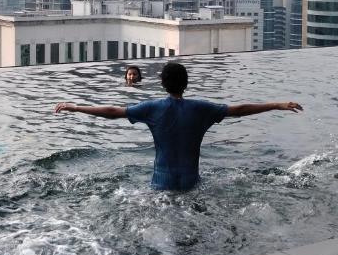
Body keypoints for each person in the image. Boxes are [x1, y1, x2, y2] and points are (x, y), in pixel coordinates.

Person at [55, 60, 303, 191]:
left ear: (162, 84)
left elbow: (112, 112)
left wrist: (76, 107)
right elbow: (239, 110)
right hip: (191, 184)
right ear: (186, 84)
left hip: (160, 186)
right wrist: (277, 105)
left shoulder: (151, 108)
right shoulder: (202, 109)